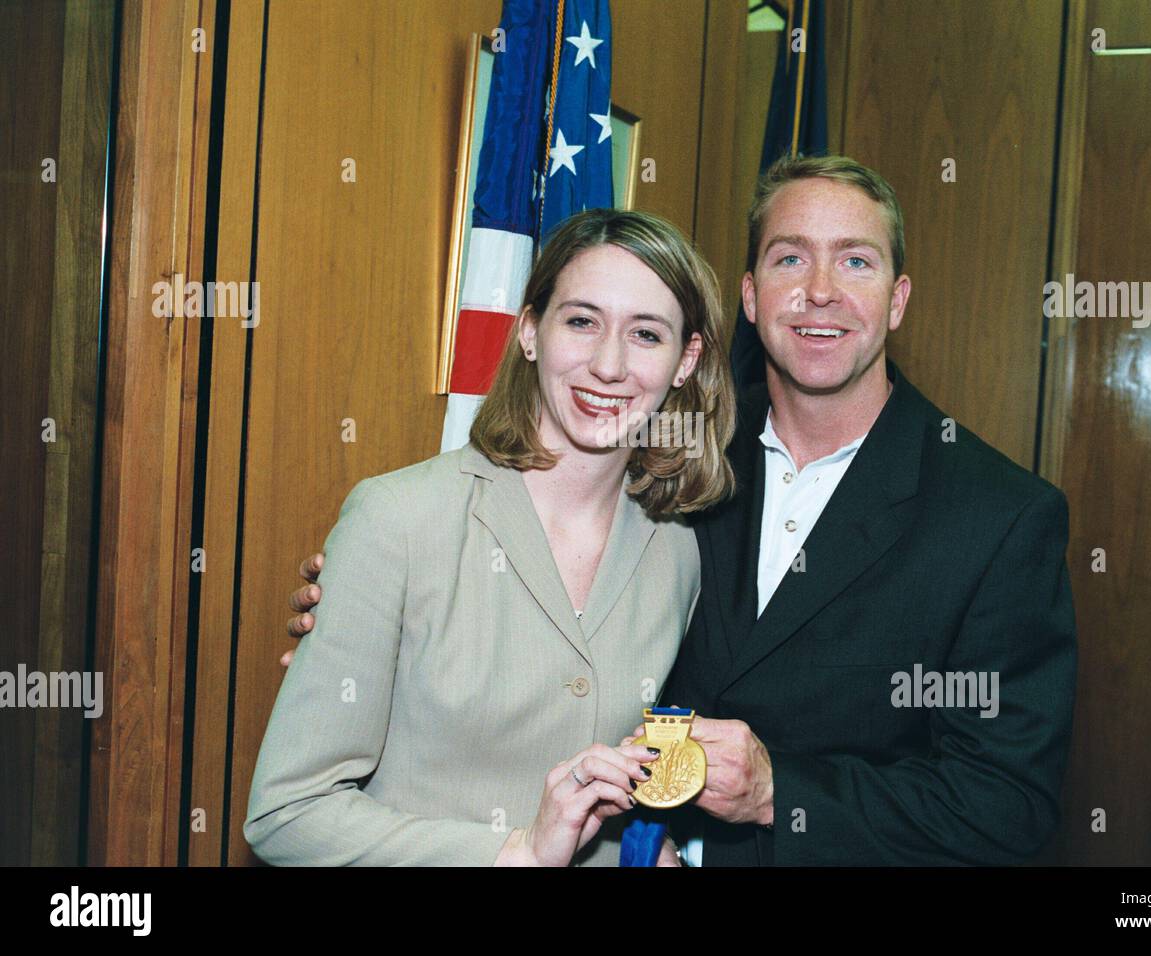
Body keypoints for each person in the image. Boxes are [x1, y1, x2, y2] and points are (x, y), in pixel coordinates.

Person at [289, 153, 1077, 866]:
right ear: (751, 295)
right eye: (790, 258)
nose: (821, 291)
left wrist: (781, 794)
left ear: (898, 299)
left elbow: (1006, 805)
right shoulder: (673, 465)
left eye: (857, 261)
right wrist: (374, 621)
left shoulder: (998, 518)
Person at [244, 207, 736, 866]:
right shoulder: (400, 518)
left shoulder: (677, 547)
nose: (609, 364)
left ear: (686, 360)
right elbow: (288, 814)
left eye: (646, 334)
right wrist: (517, 854)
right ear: (530, 331)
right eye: (582, 321)